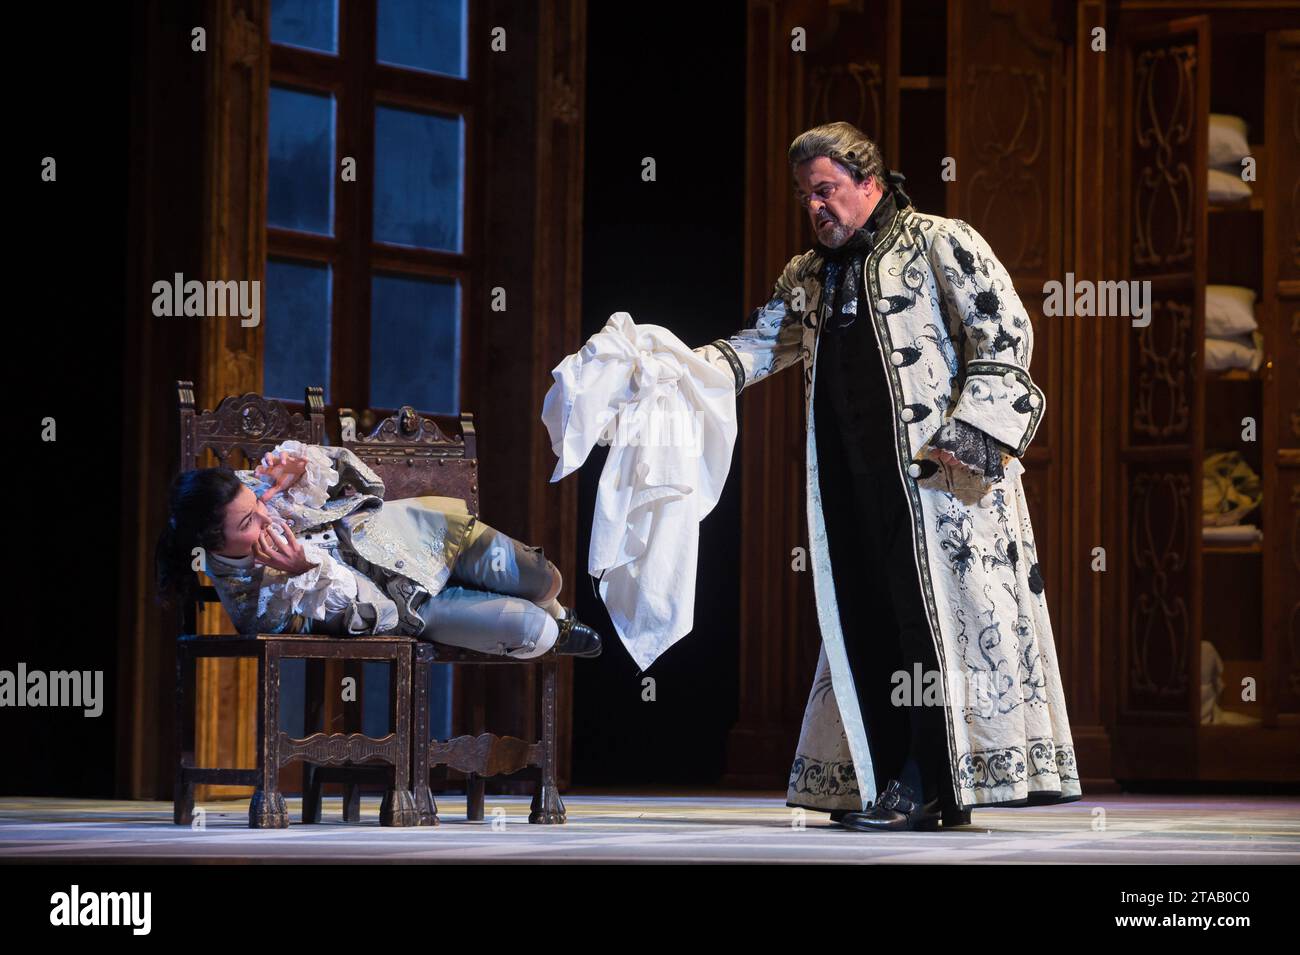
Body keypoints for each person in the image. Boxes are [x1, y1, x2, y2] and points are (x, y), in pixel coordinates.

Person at [692, 121, 1081, 830]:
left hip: (939, 488)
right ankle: (889, 774)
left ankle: (928, 780)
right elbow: (757, 345)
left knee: (929, 629)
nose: (814, 207)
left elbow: (1003, 331)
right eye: (807, 195)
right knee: (867, 619)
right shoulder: (807, 275)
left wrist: (975, 430)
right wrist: (669, 371)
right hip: (854, 486)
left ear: (869, 183)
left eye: (826, 190)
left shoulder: (940, 240)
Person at [155, 440, 602, 659]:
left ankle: (561, 616)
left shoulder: (255, 489)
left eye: (257, 505)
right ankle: (555, 630)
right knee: (533, 633)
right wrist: (305, 570)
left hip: (420, 535)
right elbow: (382, 618)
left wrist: (306, 462)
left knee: (547, 578)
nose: (266, 518)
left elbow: (369, 484)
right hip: (415, 605)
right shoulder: (257, 605)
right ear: (215, 545)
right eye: (250, 523)